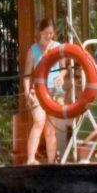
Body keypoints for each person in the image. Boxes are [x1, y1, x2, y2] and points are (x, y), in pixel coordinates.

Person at [18, 13, 61, 165]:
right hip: (38, 90)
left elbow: (65, 68)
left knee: (50, 128)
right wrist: (26, 91)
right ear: (40, 32)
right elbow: (27, 74)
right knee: (38, 121)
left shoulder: (57, 48)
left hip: (54, 91)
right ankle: (31, 159)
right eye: (46, 32)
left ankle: (51, 161)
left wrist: (61, 75)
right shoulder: (33, 50)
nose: (49, 36)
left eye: (51, 33)